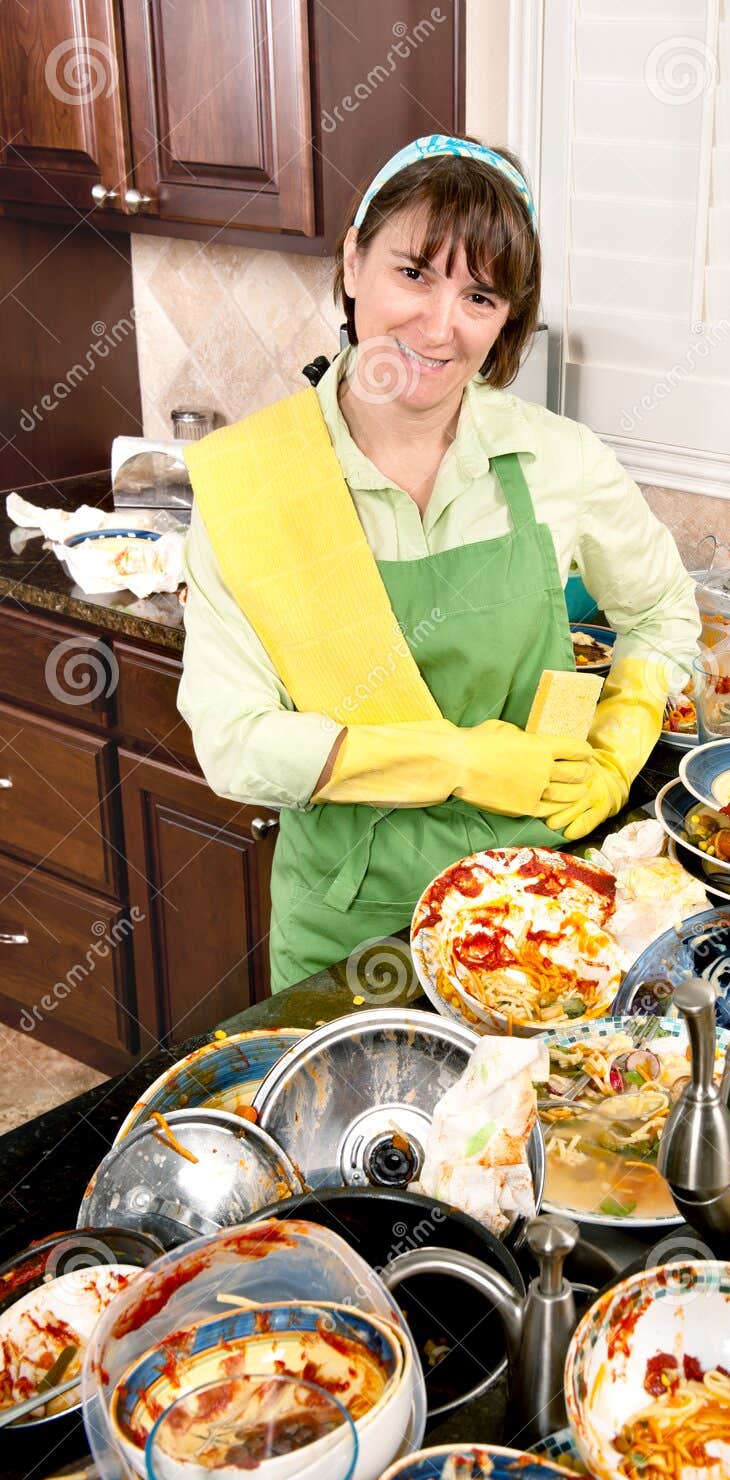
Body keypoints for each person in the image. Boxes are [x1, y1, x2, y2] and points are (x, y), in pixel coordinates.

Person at [178, 134, 700, 991]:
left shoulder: (558, 461)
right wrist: (456, 759)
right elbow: (235, 746)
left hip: (535, 906)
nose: (439, 325)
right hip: (345, 931)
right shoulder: (255, 483)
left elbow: (662, 610)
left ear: (506, 319)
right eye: (413, 273)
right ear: (352, 260)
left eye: (480, 295)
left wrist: (615, 747)